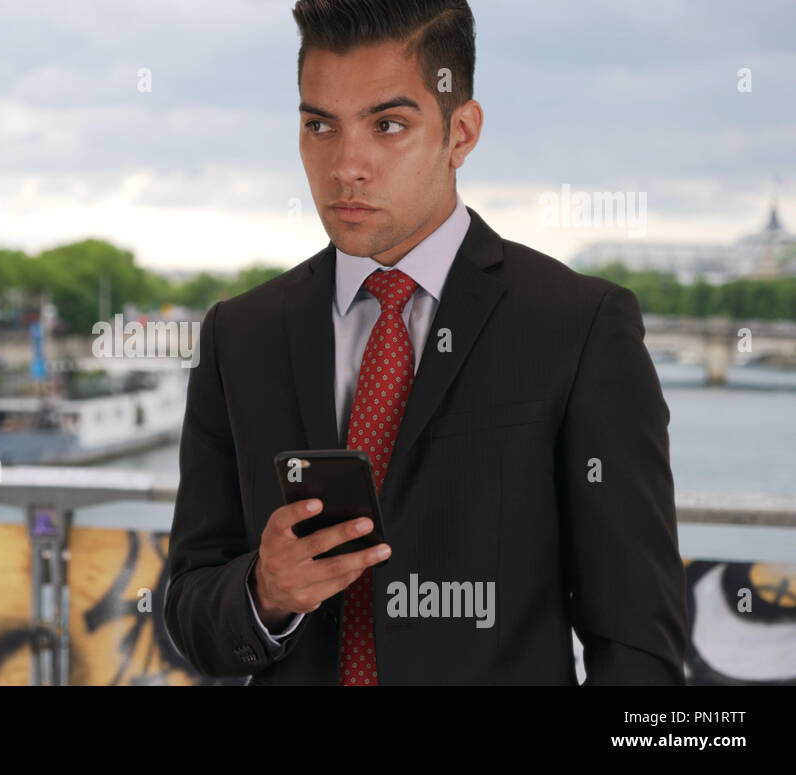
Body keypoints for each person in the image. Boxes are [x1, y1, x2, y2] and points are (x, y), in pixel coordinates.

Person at [163, 0, 688, 685]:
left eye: (388, 125)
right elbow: (188, 604)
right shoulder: (240, 334)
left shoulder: (579, 326)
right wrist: (264, 594)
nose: (346, 166)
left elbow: (638, 645)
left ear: (460, 132)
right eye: (320, 125)